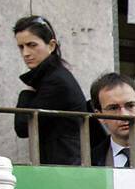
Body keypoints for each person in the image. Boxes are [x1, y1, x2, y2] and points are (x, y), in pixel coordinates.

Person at [12, 16, 88, 165]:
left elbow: (22, 127)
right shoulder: (53, 76)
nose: (25, 53)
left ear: (51, 45)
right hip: (62, 163)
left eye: (32, 45)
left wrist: (27, 92)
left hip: (65, 166)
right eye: (21, 47)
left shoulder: (56, 81)